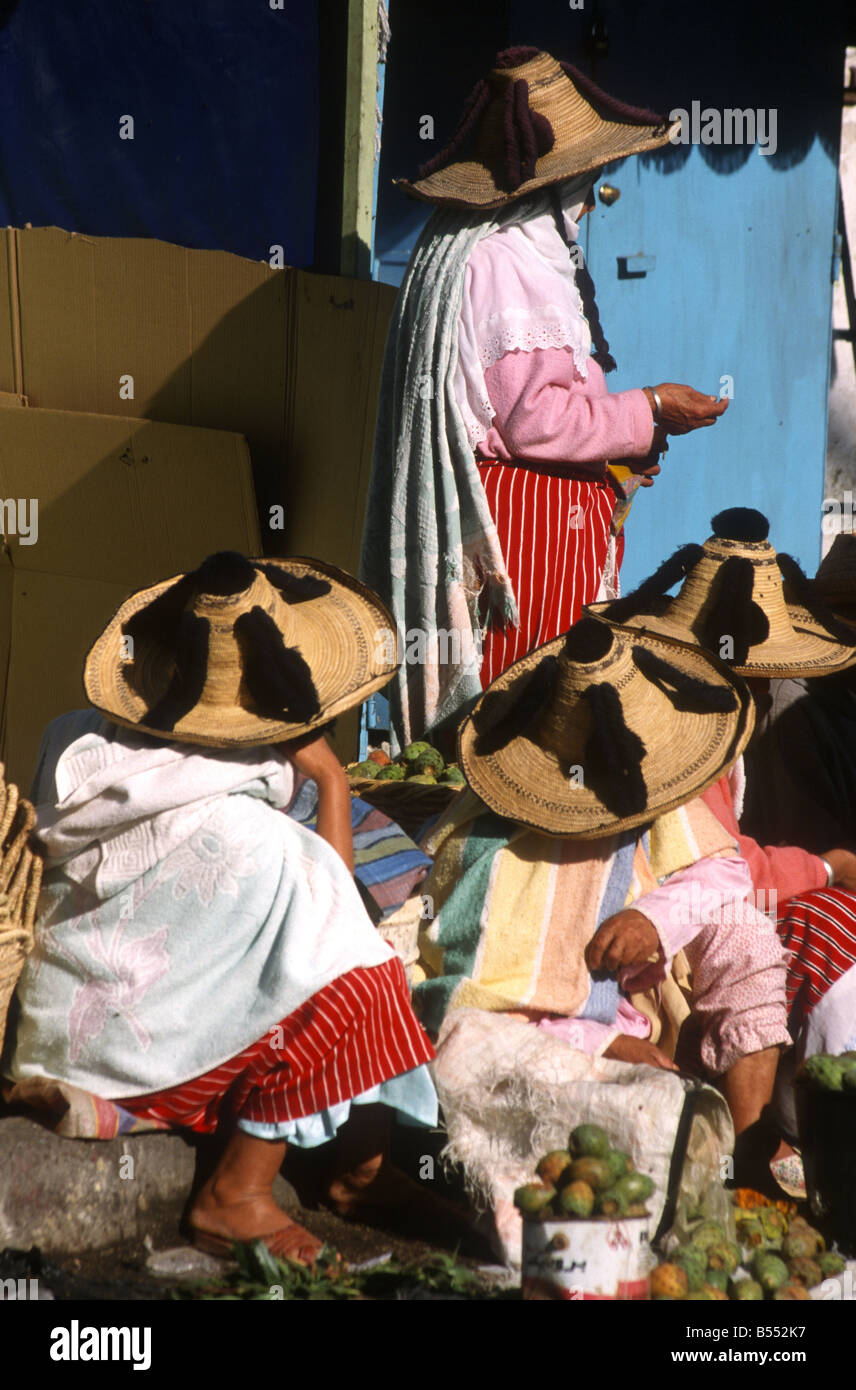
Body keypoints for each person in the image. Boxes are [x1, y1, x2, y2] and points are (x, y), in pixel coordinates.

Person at [1, 552, 442, 1263]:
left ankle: (357, 1176)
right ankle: (237, 1194)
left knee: (338, 959)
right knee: (368, 979)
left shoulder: (82, 744)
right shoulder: (251, 832)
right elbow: (336, 910)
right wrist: (328, 775)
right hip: (150, 1054)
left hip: (63, 1029)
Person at [361, 46, 727, 751]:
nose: (593, 199)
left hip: (536, 521)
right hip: (524, 539)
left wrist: (623, 447)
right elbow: (533, 419)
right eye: (590, 182)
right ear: (555, 185)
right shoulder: (508, 262)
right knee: (528, 727)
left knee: (535, 725)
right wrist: (647, 410)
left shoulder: (488, 249)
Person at [413, 615, 790, 1143]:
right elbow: (475, 987)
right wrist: (595, 1040)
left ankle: (751, 1147)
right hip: (524, 1034)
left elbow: (724, 869)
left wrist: (653, 918)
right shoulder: (482, 835)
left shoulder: (644, 790)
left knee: (744, 933)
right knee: (477, 1053)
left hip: (631, 994)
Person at [591, 507, 856, 1190]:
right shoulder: (689, 724)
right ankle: (753, 1149)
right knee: (754, 940)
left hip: (699, 884)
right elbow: (722, 862)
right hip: (646, 897)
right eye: (758, 674)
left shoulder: (738, 715)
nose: (767, 688)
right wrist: (829, 867)